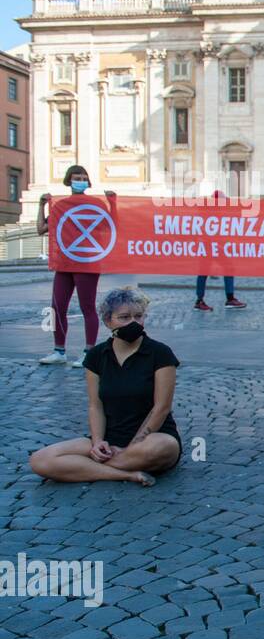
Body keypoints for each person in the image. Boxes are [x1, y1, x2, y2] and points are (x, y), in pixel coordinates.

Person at [29, 287, 182, 486]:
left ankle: (88, 467)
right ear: (108, 321)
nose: (133, 322)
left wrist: (134, 445)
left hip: (152, 437)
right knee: (40, 460)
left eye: (138, 316)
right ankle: (126, 474)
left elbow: (161, 407)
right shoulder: (96, 356)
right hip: (110, 438)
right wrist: (98, 442)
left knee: (163, 447)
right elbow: (96, 405)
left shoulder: (160, 353)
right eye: (124, 317)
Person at [36, 165, 111, 366]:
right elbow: (41, 229)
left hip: (87, 262)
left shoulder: (96, 204)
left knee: (87, 307)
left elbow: (111, 225)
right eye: (77, 177)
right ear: (69, 180)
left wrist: (113, 202)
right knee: (57, 307)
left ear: (88, 182)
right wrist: (41, 205)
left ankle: (89, 352)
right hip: (64, 263)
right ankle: (59, 351)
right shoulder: (61, 206)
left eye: (84, 177)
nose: (80, 180)